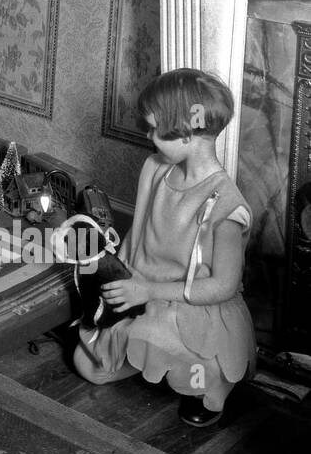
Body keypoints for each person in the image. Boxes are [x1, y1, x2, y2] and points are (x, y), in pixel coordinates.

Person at [72, 68, 255, 427]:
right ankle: (154, 359)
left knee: (149, 335)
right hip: (144, 291)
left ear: (187, 133)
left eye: (156, 129)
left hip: (191, 307)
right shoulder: (155, 168)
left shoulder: (227, 207)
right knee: (86, 365)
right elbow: (138, 235)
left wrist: (148, 291)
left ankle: (208, 384)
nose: (149, 136)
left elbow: (222, 286)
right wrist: (115, 272)